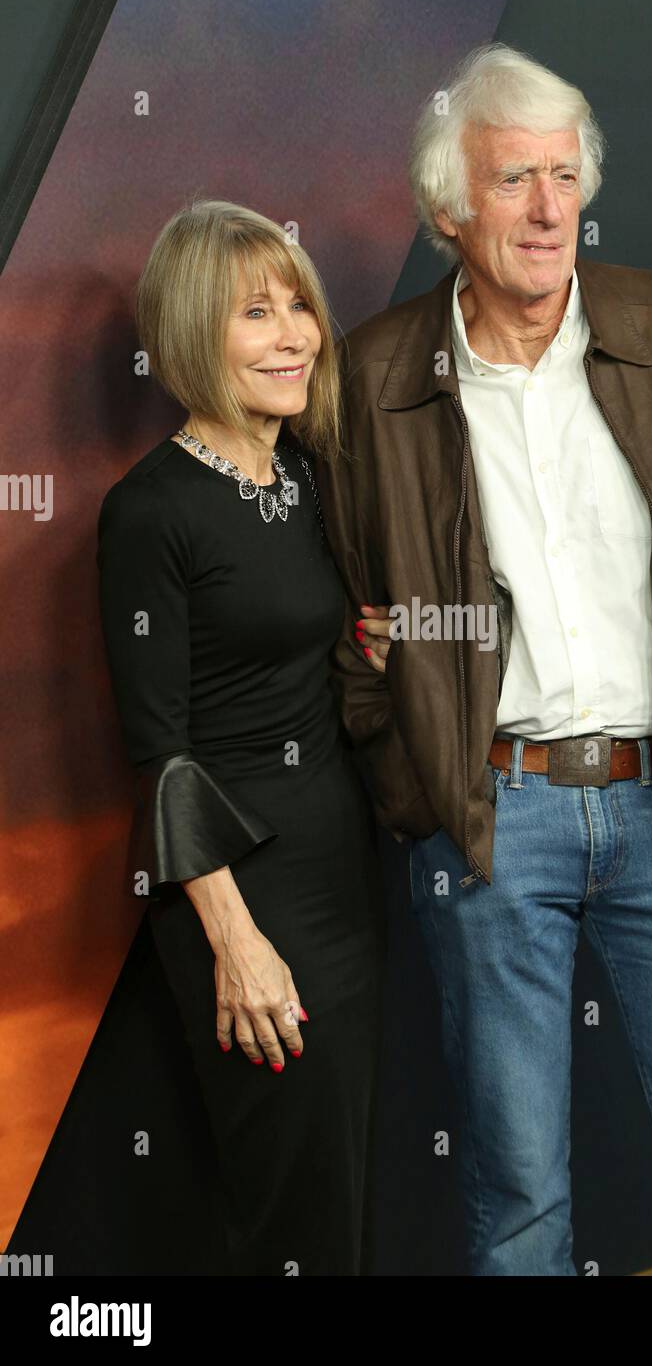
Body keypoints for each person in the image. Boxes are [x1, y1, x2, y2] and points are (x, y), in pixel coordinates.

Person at [314, 44, 652, 1276]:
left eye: (563, 175)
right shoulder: (373, 379)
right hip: (490, 816)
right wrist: (418, 788)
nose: (546, 210)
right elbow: (359, 626)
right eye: (513, 179)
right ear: (445, 210)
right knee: (517, 1205)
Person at [97, 199, 391, 1276]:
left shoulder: (305, 479)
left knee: (342, 1185)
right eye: (255, 314)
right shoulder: (150, 510)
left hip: (344, 873)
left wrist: (374, 649)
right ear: (188, 336)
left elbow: (297, 659)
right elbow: (160, 753)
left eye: (300, 305)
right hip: (245, 899)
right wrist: (235, 938)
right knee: (288, 1213)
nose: (296, 334)